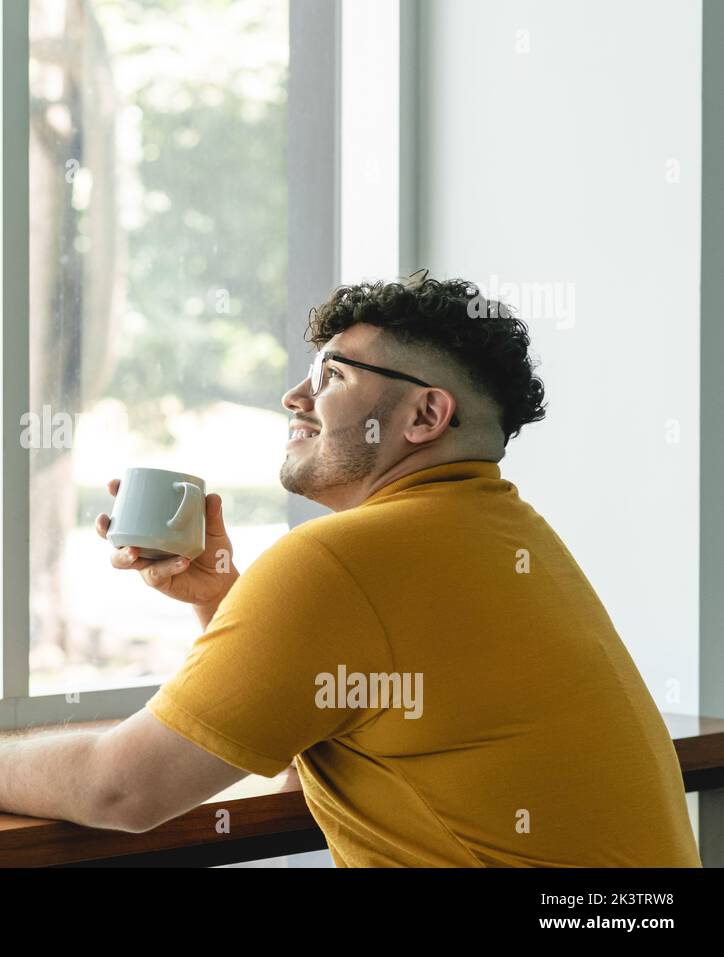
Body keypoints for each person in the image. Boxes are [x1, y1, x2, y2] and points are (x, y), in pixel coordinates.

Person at [93, 270, 701, 866]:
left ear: (423, 416)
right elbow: (319, 724)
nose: (294, 397)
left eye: (329, 374)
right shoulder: (517, 543)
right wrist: (223, 600)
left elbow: (122, 790)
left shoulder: (337, 559)